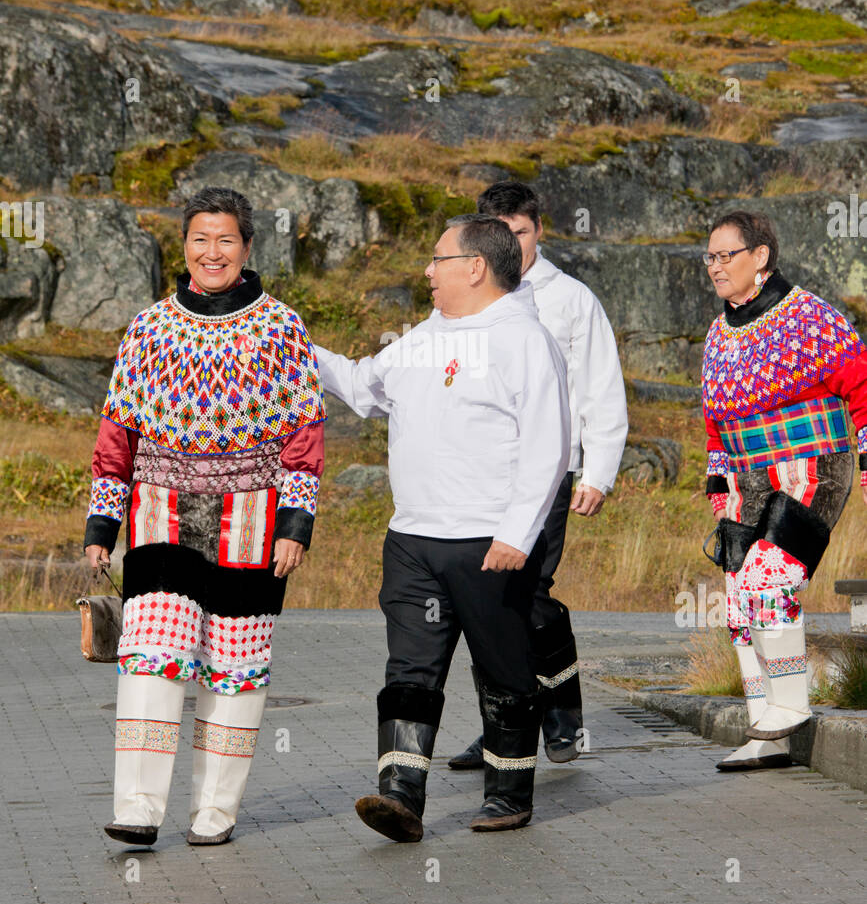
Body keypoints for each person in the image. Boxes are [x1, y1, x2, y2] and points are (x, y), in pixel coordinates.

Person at [315, 215, 570, 840]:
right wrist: (293, 340)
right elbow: (360, 385)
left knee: (503, 669)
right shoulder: (423, 337)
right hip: (412, 541)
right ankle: (400, 793)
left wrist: (517, 533)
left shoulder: (525, 340)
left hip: (490, 545)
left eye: (437, 259)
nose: (427, 271)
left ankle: (509, 792)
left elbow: (550, 446)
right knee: (409, 669)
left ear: (475, 266)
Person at [84, 187, 325, 845]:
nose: (211, 251)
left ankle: (214, 813)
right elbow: (117, 433)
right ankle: (137, 807)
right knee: (150, 660)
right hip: (159, 514)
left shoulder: (281, 326)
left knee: (234, 668)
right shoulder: (149, 326)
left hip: (251, 519)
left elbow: (304, 434)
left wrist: (295, 525)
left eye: (225, 240)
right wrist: (102, 528)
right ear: (182, 246)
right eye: (199, 239)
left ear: (247, 248)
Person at [448, 181, 628, 769]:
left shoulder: (572, 300)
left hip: (549, 471)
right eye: (500, 235)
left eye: (521, 233)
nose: (513, 245)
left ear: (538, 230)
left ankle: (560, 714)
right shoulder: (461, 300)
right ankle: (504, 726)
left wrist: (597, 471)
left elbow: (600, 387)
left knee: (527, 593)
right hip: (480, 475)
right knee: (486, 601)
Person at [702, 210, 867, 771]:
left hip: (813, 469)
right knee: (740, 598)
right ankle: (764, 735)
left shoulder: (811, 317)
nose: (716, 267)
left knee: (768, 580)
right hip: (747, 479)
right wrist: (720, 488)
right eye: (711, 257)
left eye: (727, 255)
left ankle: (792, 704)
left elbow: (861, 384)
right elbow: (714, 425)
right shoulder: (717, 334)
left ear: (761, 256)